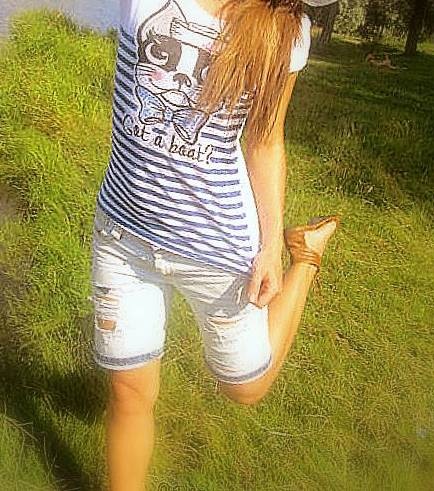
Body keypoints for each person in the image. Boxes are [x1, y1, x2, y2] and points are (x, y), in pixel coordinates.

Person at [90, 0, 339, 489]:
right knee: (127, 392)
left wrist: (271, 248)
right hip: (122, 236)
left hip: (217, 250)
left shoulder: (284, 28)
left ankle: (306, 255)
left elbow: (265, 141)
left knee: (245, 388)